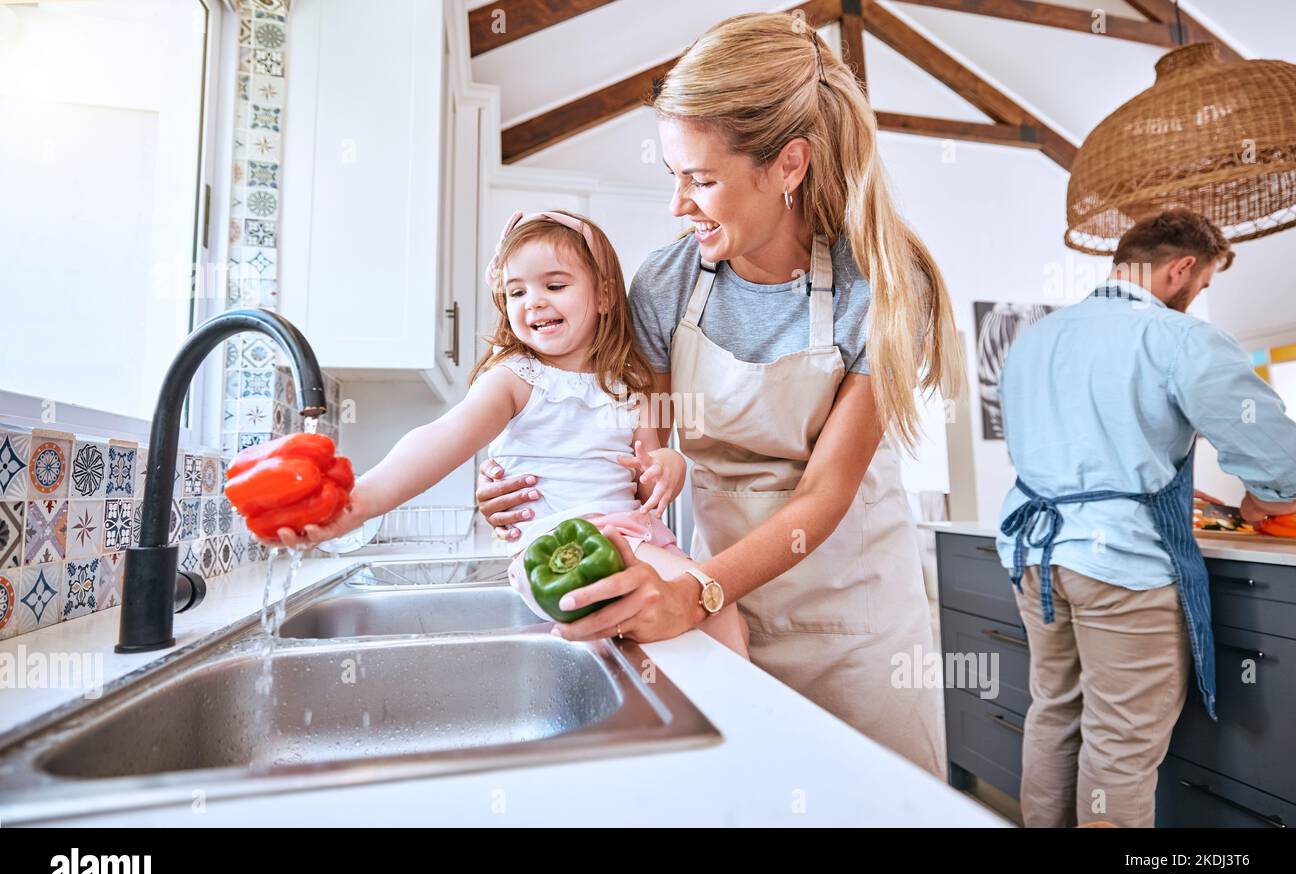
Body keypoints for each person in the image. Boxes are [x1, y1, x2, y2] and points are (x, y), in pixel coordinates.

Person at [476, 13, 964, 777]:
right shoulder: (668, 285)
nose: (679, 204)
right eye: (673, 175)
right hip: (718, 612)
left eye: (701, 179)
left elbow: (824, 495)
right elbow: (636, 445)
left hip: (856, 628)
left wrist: (703, 589)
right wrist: (527, 477)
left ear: (788, 165)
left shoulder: (880, 289)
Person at [260, 208, 749, 657]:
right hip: (563, 551)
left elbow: (647, 475)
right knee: (715, 609)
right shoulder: (514, 379)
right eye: (517, 292)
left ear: (602, 295)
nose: (533, 301)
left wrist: (671, 464)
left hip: (633, 538)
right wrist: (358, 503)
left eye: (554, 286)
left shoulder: (632, 387)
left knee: (687, 634)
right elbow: (440, 438)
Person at [996, 208, 1296, 827]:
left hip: (1034, 555)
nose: (1196, 299)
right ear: (1180, 269)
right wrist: (1265, 500)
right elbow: (1279, 460)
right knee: (1120, 745)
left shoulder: (1035, 339)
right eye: (1203, 285)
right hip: (1122, 565)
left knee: (1054, 712)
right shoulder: (1174, 337)